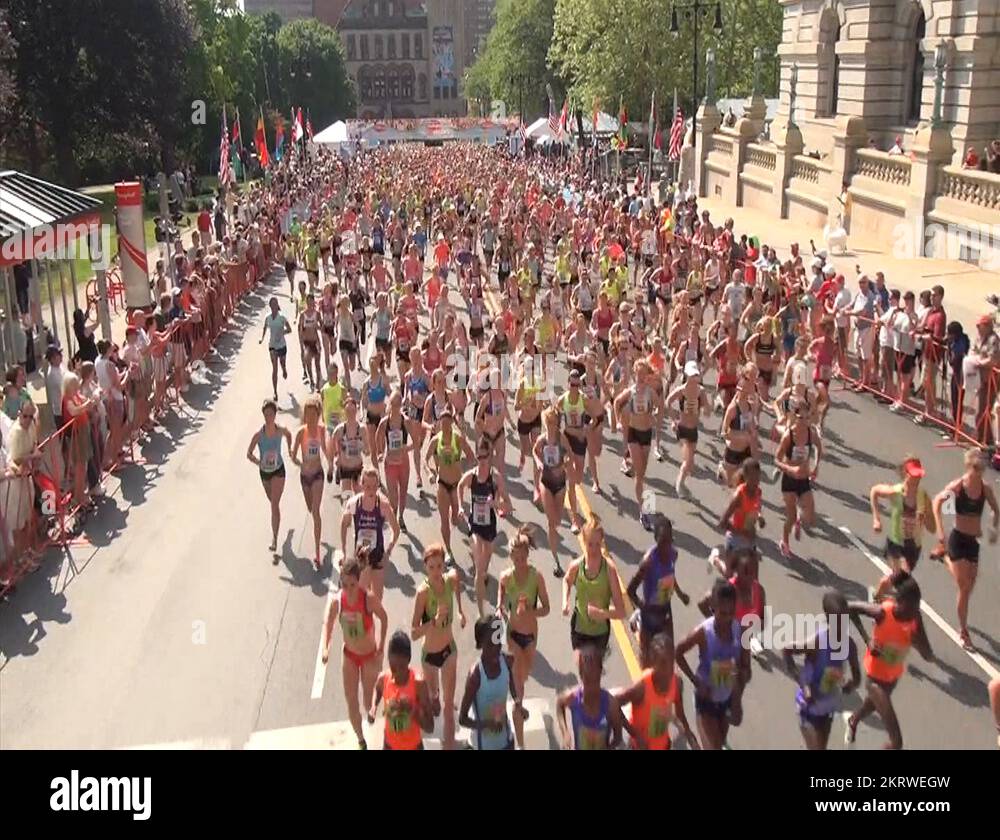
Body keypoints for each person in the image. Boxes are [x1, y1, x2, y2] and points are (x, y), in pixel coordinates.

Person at [846, 575, 934, 749]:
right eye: (911, 607)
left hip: (892, 678)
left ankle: (853, 720)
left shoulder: (915, 618)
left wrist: (918, 642)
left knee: (870, 707)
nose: (914, 611)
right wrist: (867, 639)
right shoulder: (882, 613)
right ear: (899, 602)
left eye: (917, 606)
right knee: (897, 742)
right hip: (874, 678)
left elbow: (929, 656)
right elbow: (849, 608)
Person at [931, 449, 999, 651]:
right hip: (958, 539)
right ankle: (963, 632)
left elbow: (996, 510)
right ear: (968, 466)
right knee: (964, 587)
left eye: (982, 469)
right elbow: (937, 503)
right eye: (976, 468)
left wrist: (993, 528)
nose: (979, 472)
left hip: (972, 543)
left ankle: (944, 557)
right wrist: (940, 532)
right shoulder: (958, 487)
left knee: (970, 585)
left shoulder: (985, 489)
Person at [322, 547, 388, 750]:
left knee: (369, 704)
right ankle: (360, 739)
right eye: (344, 584)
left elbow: (384, 618)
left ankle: (376, 713)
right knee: (351, 699)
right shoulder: (337, 602)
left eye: (352, 584)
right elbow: (329, 623)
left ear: (358, 581)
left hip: (369, 656)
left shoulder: (367, 599)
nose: (349, 589)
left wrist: (381, 645)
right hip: (349, 656)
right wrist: (326, 647)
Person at [781, 590, 861, 750]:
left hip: (827, 709)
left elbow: (857, 677)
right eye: (837, 621)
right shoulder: (817, 642)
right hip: (808, 708)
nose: (842, 626)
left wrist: (850, 685)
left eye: (844, 620)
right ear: (828, 619)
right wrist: (803, 685)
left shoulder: (849, 645)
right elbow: (786, 650)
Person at [675, 578, 750, 750]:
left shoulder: (741, 631)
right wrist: (695, 681)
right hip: (706, 701)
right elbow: (678, 652)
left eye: (732, 612)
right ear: (713, 608)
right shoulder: (703, 632)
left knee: (719, 743)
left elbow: (746, 669)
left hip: (726, 701)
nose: (728, 618)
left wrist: (738, 692)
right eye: (723, 613)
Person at [497, 525, 551, 748]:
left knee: (524, 674)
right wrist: (500, 608)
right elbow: (500, 600)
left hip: (530, 635)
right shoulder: (505, 577)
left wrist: (530, 611)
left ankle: (518, 699)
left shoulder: (536, 577)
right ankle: (517, 706)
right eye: (515, 558)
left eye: (522, 558)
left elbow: (547, 608)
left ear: (527, 556)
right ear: (510, 557)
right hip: (512, 634)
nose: (519, 562)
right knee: (518, 675)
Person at [411, 543, 467, 750]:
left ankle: (448, 745)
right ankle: (433, 698)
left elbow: (457, 581)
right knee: (434, 694)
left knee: (448, 702)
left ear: (444, 565)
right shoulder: (423, 593)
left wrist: (460, 611)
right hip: (430, 655)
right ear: (425, 567)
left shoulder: (450, 580)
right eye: (431, 566)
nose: (436, 571)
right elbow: (414, 633)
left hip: (449, 649)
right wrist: (433, 622)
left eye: (439, 566)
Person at [625, 515, 690, 666]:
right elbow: (630, 590)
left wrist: (680, 595)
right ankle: (639, 619)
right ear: (656, 540)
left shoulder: (674, 555)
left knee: (668, 654)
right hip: (649, 613)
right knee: (646, 660)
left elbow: (671, 576)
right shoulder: (648, 562)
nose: (666, 546)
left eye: (669, 541)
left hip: (665, 608)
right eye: (663, 542)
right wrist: (643, 607)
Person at [616, 632, 699, 750]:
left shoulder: (677, 683)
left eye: (671, 661)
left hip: (663, 745)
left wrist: (689, 734)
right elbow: (614, 703)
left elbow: (680, 713)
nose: (669, 668)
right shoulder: (641, 688)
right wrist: (635, 735)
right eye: (663, 663)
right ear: (653, 663)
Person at [458, 437, 512, 617]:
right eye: (479, 457)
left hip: (489, 526)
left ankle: (481, 573)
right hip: (475, 526)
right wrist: (460, 506)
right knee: (480, 570)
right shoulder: (472, 475)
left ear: (490, 457)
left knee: (484, 562)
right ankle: (482, 614)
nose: (481, 461)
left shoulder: (495, 478)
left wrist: (495, 503)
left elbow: (508, 506)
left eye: (485, 457)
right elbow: (460, 486)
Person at [869, 456, 933, 598]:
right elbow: (874, 491)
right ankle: (878, 594)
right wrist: (876, 519)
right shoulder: (895, 492)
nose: (917, 480)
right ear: (906, 474)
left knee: (900, 582)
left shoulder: (923, 496)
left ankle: (880, 597)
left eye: (919, 476)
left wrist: (925, 518)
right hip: (895, 544)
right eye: (914, 476)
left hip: (913, 547)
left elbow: (932, 527)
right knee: (902, 575)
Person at [458, 614, 524, 751]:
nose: (496, 648)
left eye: (498, 642)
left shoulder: (506, 661)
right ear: (480, 643)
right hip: (482, 746)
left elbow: (510, 682)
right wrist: (487, 724)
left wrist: (517, 702)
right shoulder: (475, 676)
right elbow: (462, 719)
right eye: (490, 644)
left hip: (506, 742)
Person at [562, 514, 626, 654]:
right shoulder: (577, 565)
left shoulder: (609, 570)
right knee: (582, 667)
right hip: (579, 628)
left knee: (593, 671)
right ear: (584, 541)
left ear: (602, 542)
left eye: (598, 544)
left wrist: (602, 613)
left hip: (600, 633)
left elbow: (621, 612)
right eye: (590, 544)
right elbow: (567, 580)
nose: (594, 549)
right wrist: (565, 601)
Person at [340, 467, 400, 602]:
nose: (371, 491)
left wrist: (388, 551)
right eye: (367, 486)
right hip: (361, 559)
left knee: (376, 601)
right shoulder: (354, 503)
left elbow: (396, 530)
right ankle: (365, 622)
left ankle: (371, 621)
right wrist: (344, 551)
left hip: (378, 556)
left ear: (378, 485)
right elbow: (344, 524)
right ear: (362, 485)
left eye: (374, 487)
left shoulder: (383, 505)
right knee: (361, 599)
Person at [368, 630, 434, 751]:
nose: (397, 672)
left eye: (401, 667)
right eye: (393, 667)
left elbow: (430, 727)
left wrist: (412, 711)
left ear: (408, 660)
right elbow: (377, 689)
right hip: (389, 745)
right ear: (388, 659)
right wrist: (373, 707)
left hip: (413, 747)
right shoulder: (384, 678)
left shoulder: (418, 684)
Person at [424, 408, 473, 565]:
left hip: (456, 484)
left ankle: (455, 519)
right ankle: (448, 551)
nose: (445, 425)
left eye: (447, 422)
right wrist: (430, 473)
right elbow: (425, 460)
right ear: (439, 423)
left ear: (452, 423)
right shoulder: (435, 440)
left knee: (455, 519)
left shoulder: (457, 439)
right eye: (442, 422)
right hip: (443, 484)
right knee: (444, 520)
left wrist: (466, 474)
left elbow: (472, 457)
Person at [555, 643, 626, 750]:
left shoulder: (611, 705)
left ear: (600, 672)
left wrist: (610, 747)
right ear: (581, 675)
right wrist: (565, 733)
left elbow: (618, 737)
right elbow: (559, 704)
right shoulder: (573, 698)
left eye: (595, 681)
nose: (592, 688)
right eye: (588, 681)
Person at [774, 403, 822, 558]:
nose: (804, 421)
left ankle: (799, 521)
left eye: (807, 418)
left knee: (810, 517)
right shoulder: (789, 436)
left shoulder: (811, 433)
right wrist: (789, 469)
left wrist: (815, 466)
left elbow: (819, 448)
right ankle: (784, 542)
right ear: (795, 417)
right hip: (789, 480)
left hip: (803, 480)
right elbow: (776, 459)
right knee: (791, 516)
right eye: (801, 417)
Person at [245, 398, 292, 555]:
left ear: (275, 414)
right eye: (266, 415)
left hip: (278, 470)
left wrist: (290, 450)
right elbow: (248, 454)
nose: (268, 417)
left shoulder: (280, 430)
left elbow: (289, 434)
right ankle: (285, 536)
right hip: (265, 473)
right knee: (273, 502)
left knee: (274, 506)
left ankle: (274, 538)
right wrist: (259, 462)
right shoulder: (258, 435)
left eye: (271, 414)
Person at [533, 406, 572, 576]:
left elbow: (570, 455)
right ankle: (556, 558)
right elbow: (534, 451)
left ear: (557, 423)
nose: (551, 426)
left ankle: (554, 547)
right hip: (546, 482)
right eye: (548, 422)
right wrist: (539, 462)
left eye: (554, 423)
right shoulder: (542, 439)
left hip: (560, 482)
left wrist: (563, 465)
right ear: (545, 422)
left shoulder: (561, 438)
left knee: (556, 522)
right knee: (551, 521)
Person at [290, 394, 327, 571]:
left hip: (318, 475)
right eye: (308, 415)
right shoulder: (300, 432)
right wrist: (299, 462)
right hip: (305, 476)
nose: (311, 418)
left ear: (318, 415)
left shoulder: (321, 430)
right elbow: (292, 453)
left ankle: (317, 552)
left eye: (314, 415)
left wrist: (332, 464)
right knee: (310, 507)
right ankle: (314, 514)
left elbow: (326, 450)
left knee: (316, 512)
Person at [260, 297, 291, 401]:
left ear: (277, 305)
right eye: (272, 304)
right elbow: (264, 328)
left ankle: (284, 369)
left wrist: (283, 332)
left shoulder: (282, 317)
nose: (274, 306)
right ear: (270, 306)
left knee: (282, 364)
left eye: (275, 304)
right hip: (272, 345)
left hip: (282, 345)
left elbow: (289, 329)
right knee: (274, 368)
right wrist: (262, 338)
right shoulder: (268, 318)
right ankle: (275, 392)